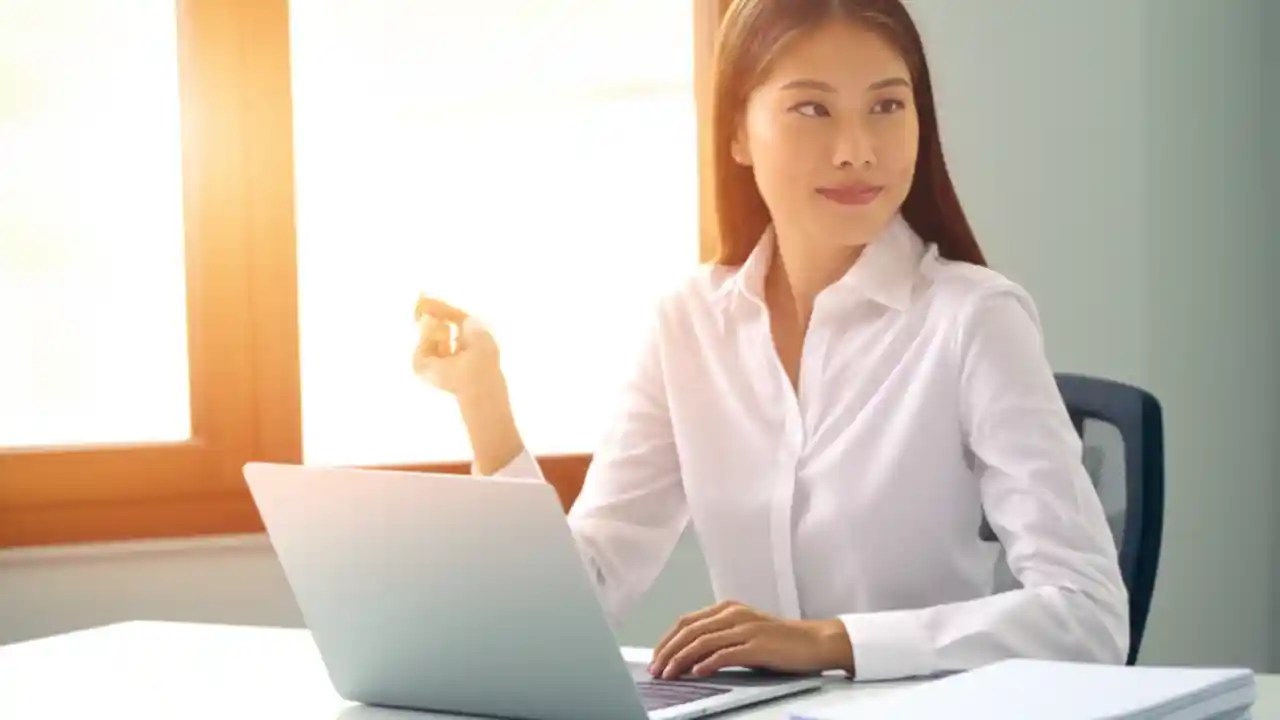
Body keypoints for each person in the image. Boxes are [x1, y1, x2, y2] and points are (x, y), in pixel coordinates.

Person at [412, 0, 1127, 683]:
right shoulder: (687, 324)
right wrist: (484, 406)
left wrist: (831, 642)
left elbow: (1089, 616)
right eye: (811, 108)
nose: (857, 151)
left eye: (887, 105)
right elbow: (575, 601)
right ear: (736, 132)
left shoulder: (975, 319)